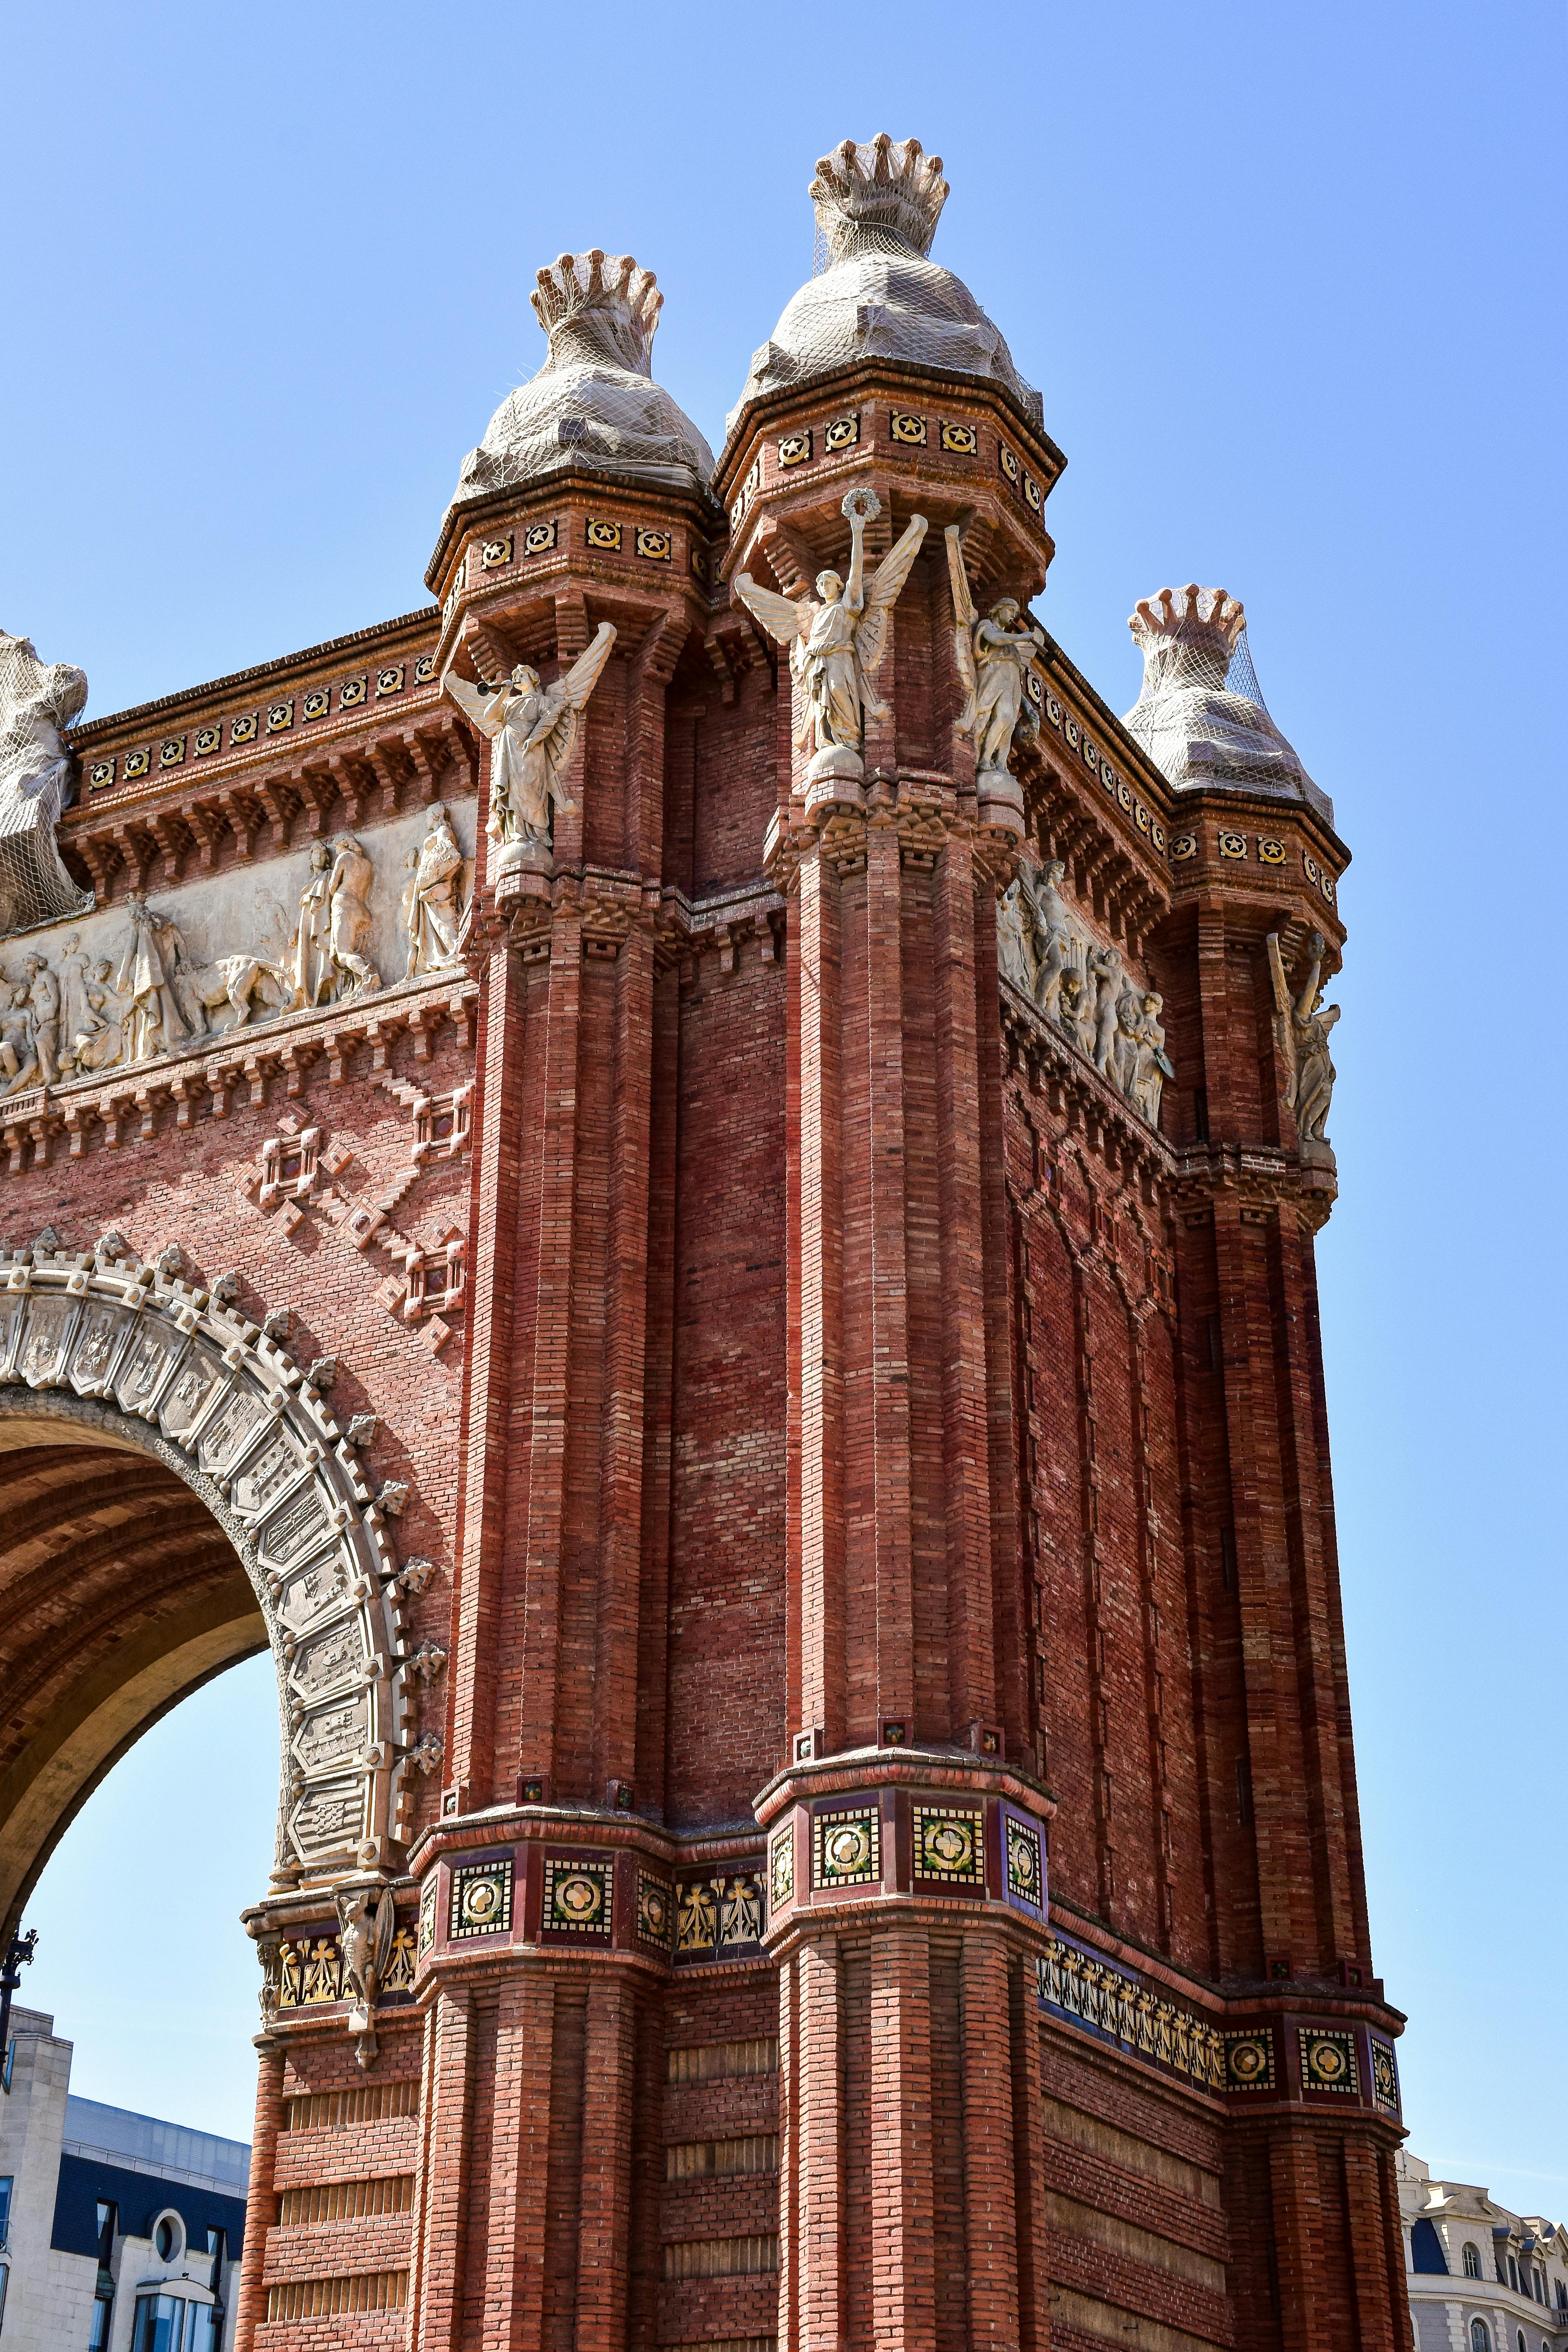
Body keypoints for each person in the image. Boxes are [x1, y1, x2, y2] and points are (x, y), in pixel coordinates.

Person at [401, 804, 467, 976]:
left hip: (439, 884)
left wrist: (429, 876)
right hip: (430, 887)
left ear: (435, 816)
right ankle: (443, 956)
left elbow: (448, 855)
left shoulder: (444, 831)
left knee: (443, 919)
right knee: (438, 922)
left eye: (428, 816)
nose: (426, 820)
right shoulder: (439, 832)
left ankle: (455, 952)